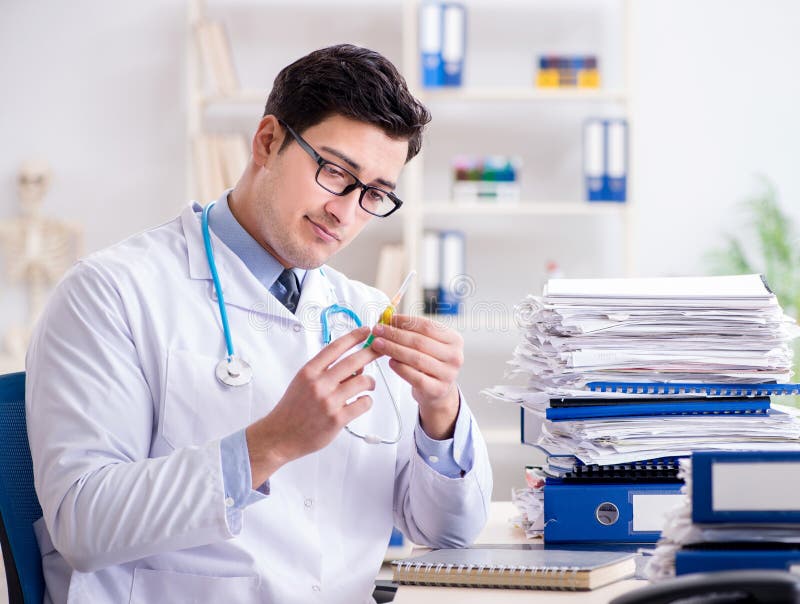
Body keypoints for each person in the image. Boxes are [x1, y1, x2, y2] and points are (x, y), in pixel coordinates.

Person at [26, 44, 492, 603]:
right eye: (334, 172)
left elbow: (447, 533)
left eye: (374, 194)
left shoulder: (365, 314)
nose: (345, 212)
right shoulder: (111, 293)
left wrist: (441, 414)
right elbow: (83, 524)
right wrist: (268, 445)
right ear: (268, 141)